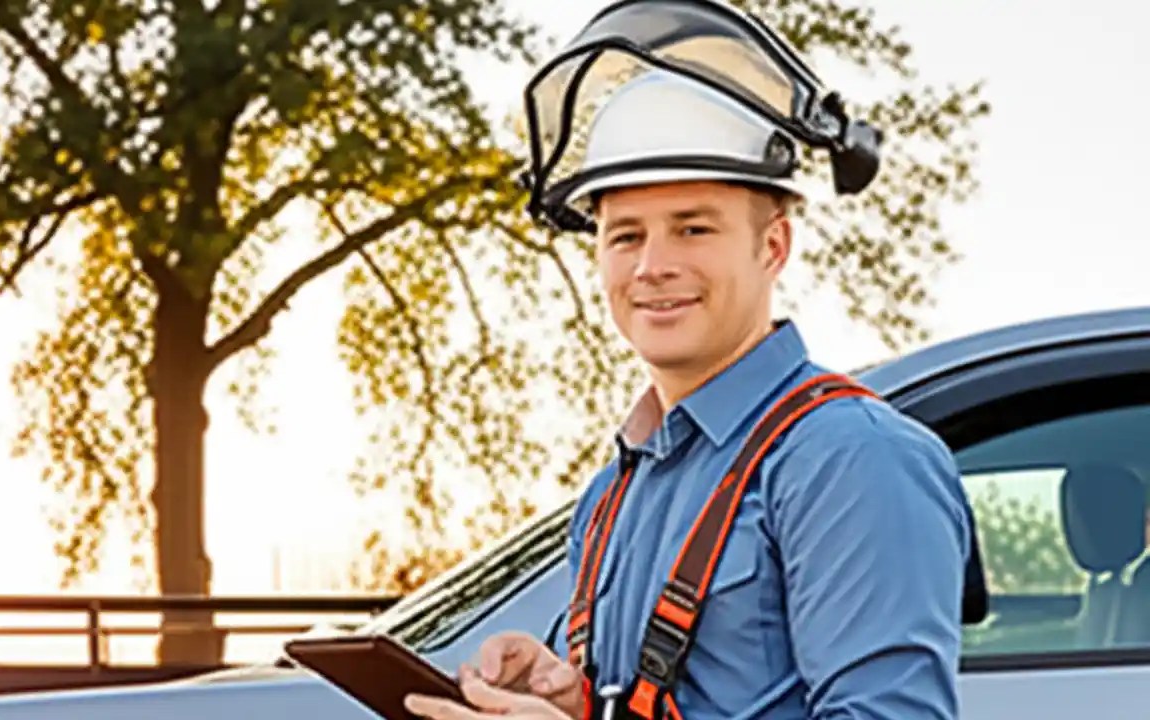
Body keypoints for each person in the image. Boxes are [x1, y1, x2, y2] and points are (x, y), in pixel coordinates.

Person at [405, 2, 971, 718]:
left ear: (773, 246)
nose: (652, 266)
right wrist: (572, 699)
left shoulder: (851, 459)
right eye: (625, 236)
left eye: (692, 229)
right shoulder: (611, 495)